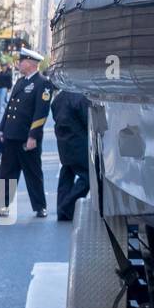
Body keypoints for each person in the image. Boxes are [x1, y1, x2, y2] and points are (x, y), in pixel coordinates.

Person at [0, 48, 52, 218]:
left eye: (21, 61)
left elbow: (41, 112)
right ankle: (3, 205)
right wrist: (1, 129)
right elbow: (10, 109)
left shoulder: (42, 83)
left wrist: (33, 136)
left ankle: (40, 206)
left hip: (27, 137)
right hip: (11, 135)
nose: (19, 64)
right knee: (6, 172)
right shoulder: (20, 82)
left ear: (30, 63)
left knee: (33, 173)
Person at [50, 88, 90, 221]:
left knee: (66, 174)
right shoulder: (80, 97)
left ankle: (62, 210)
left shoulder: (58, 98)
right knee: (87, 177)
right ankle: (67, 206)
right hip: (79, 142)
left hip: (63, 142)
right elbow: (88, 121)